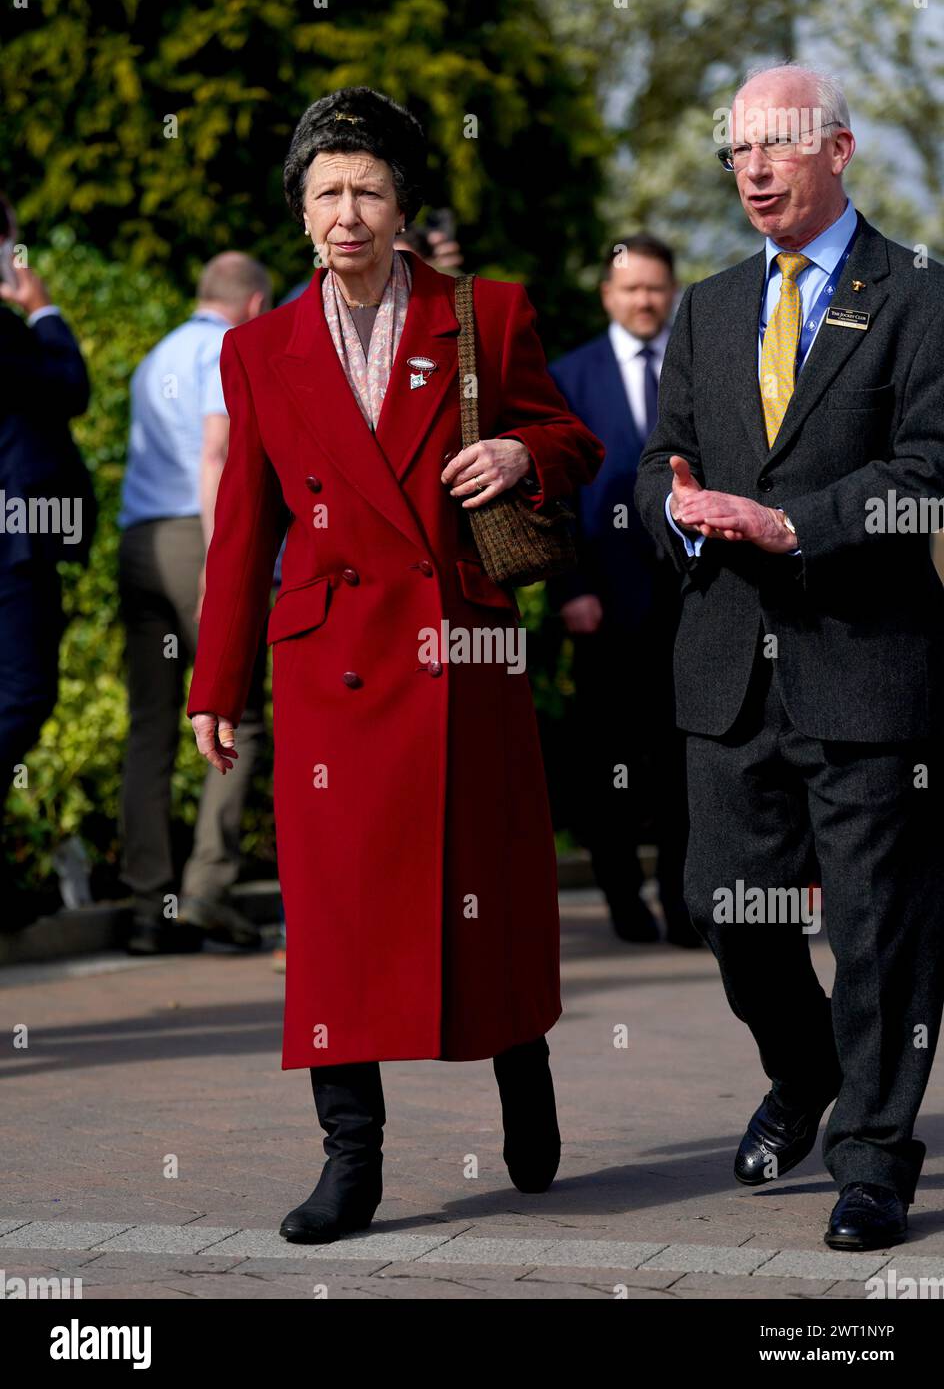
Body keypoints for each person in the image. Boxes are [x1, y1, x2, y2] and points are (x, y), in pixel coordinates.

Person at [186, 86, 604, 1244]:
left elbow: (577, 439)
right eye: (325, 191)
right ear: (300, 210)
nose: (347, 211)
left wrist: (522, 451)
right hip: (332, 666)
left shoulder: (487, 313)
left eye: (367, 187)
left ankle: (521, 1062)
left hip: (458, 649)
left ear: (403, 202)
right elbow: (241, 533)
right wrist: (212, 686)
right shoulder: (257, 349)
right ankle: (350, 1156)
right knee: (335, 916)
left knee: (492, 885)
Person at [635, 61, 944, 1251]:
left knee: (873, 930)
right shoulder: (709, 306)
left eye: (775, 146)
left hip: (864, 666)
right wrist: (674, 508)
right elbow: (659, 462)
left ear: (838, 150)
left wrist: (791, 525)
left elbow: (926, 475)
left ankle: (870, 1160)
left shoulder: (918, 296)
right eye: (735, 153)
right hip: (726, 671)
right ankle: (802, 1068)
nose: (751, 169)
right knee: (727, 911)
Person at [117, 252, 275, 953]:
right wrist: (225, 561)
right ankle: (206, 892)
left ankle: (149, 905)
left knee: (150, 724)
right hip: (197, 537)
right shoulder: (226, 347)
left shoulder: (157, 355)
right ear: (254, 304)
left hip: (140, 543)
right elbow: (217, 454)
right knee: (237, 714)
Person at [547, 235, 696, 947]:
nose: (644, 301)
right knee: (610, 763)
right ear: (607, 295)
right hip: (602, 605)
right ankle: (623, 900)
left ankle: (684, 899)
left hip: (693, 602)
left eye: (655, 288)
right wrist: (569, 586)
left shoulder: (699, 371)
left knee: (687, 759)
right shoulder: (568, 378)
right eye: (631, 289)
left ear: (672, 291)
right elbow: (552, 495)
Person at [0, 196, 96, 928]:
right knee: (24, 695)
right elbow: (68, 387)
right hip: (16, 541)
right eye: (13, 245)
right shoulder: (10, 328)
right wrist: (44, 310)